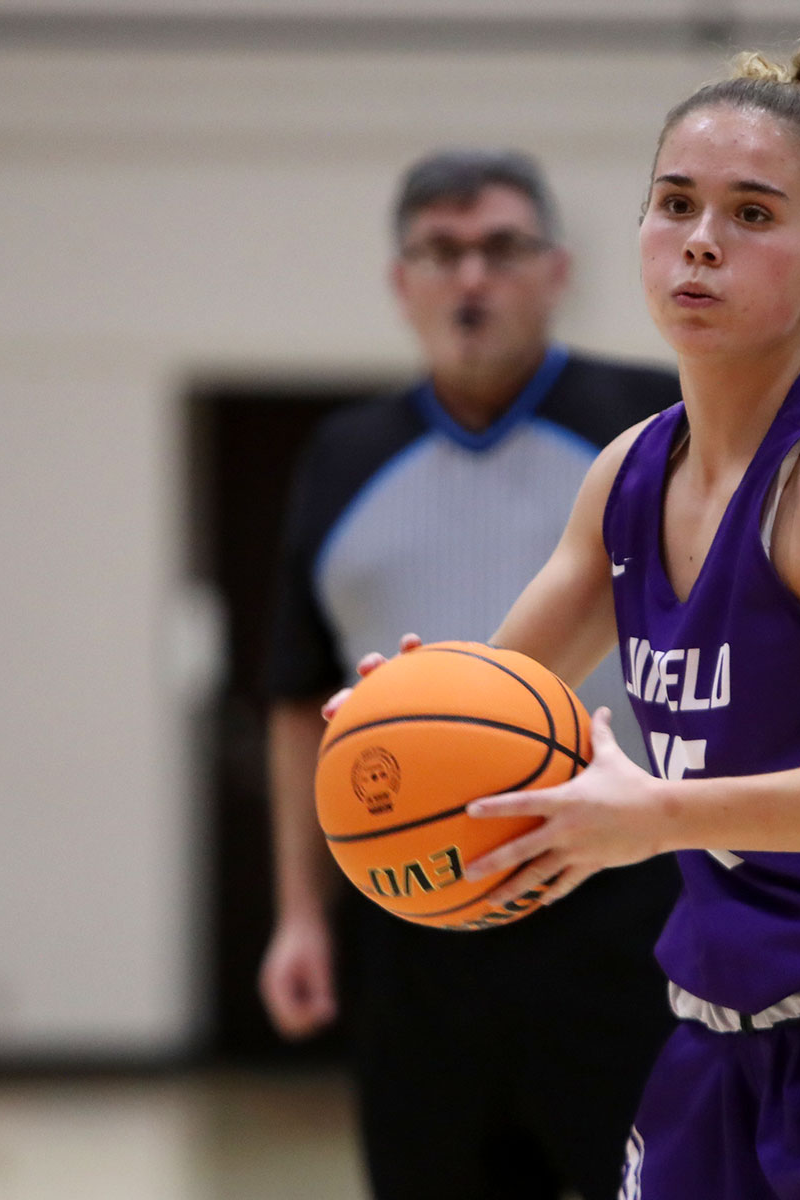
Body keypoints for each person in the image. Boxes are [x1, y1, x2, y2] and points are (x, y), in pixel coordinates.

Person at [336, 34, 800, 1198]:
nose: (703, 240)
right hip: (718, 1041)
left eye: (753, 213)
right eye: (675, 204)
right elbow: (495, 699)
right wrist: (394, 723)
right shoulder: (626, 478)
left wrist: (658, 814)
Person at [260, 149, 681, 1200]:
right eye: (441, 253)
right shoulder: (342, 455)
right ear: (402, 283)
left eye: (501, 248)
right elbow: (297, 700)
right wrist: (301, 915)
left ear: (557, 269)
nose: (472, 279)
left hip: (624, 912)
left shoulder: (652, 429)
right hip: (410, 913)